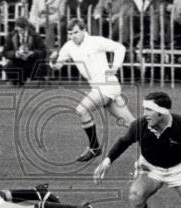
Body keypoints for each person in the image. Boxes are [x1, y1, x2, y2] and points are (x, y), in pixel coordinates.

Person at [49, 19, 135, 162]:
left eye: (76, 32)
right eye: (70, 33)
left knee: (81, 110)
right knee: (134, 125)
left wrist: (115, 66)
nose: (72, 36)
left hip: (108, 86)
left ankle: (94, 148)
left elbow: (120, 48)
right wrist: (52, 61)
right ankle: (162, 143)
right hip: (99, 88)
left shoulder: (95, 41)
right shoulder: (69, 46)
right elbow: (57, 66)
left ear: (84, 30)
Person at [1, 16, 47, 85]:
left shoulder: (35, 35)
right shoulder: (10, 36)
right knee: (8, 66)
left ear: (27, 28)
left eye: (23, 29)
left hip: (31, 61)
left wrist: (32, 53)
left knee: (41, 65)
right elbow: (5, 52)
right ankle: (17, 80)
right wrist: (15, 54)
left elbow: (43, 52)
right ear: (16, 28)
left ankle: (36, 79)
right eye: (19, 30)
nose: (22, 32)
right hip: (17, 62)